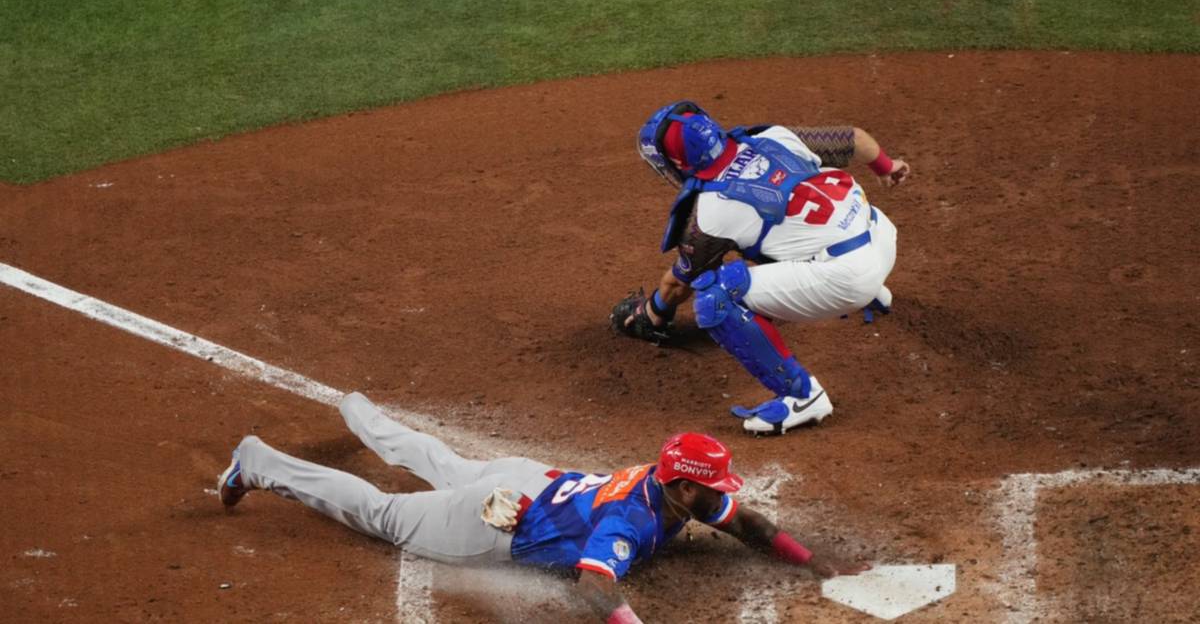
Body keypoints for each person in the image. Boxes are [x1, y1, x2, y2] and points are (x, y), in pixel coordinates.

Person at [217, 392, 869, 623]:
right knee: (386, 515)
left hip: (529, 484)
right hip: (493, 518)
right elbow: (595, 584)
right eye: (716, 488)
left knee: (446, 462)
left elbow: (748, 524)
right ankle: (259, 462)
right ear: (686, 488)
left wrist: (813, 563)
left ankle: (357, 409)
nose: (726, 496)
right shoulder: (634, 517)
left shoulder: (672, 486)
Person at [612, 100, 911, 434]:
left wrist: (651, 313)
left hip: (849, 280)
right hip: (881, 236)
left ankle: (802, 396)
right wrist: (887, 166)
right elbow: (853, 138)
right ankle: (874, 294)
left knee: (717, 296)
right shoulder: (773, 136)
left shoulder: (713, 211)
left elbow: (679, 283)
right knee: (779, 233)